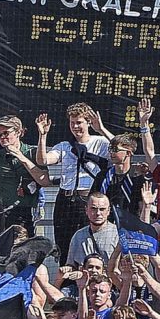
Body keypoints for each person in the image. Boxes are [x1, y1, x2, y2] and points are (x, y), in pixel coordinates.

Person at [35, 104, 111, 248]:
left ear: (88, 122)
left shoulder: (100, 142)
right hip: (65, 199)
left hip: (86, 199)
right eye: (72, 123)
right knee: (64, 244)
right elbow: (43, 160)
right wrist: (42, 136)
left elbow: (122, 149)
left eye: (79, 122)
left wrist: (101, 129)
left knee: (87, 244)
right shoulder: (64, 146)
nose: (75, 126)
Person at [0, 114, 52, 231]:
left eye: (6, 133)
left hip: (26, 210)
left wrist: (21, 157)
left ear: (18, 132)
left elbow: (45, 181)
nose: (2, 137)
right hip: (3, 210)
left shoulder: (32, 152)